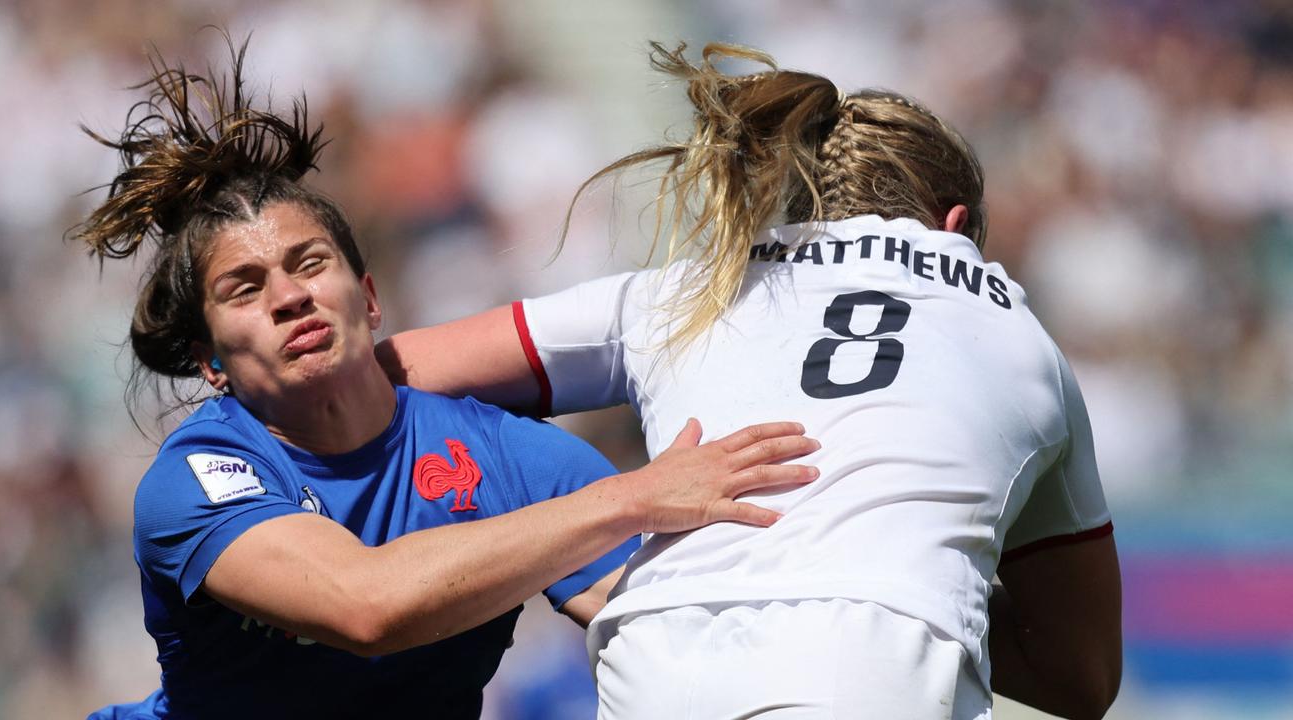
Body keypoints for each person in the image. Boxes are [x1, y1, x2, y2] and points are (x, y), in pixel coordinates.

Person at [78, 40, 819, 720]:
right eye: (244, 288)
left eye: (309, 264)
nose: (289, 296)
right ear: (210, 363)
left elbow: (668, 622)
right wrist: (633, 497)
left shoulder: (503, 455)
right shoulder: (203, 475)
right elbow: (365, 606)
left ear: (368, 298)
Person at [378, 42, 1122, 719]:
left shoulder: (686, 288)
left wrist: (570, 499)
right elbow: (1081, 676)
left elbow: (397, 374)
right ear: (954, 224)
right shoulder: (1016, 330)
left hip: (657, 653)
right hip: (874, 663)